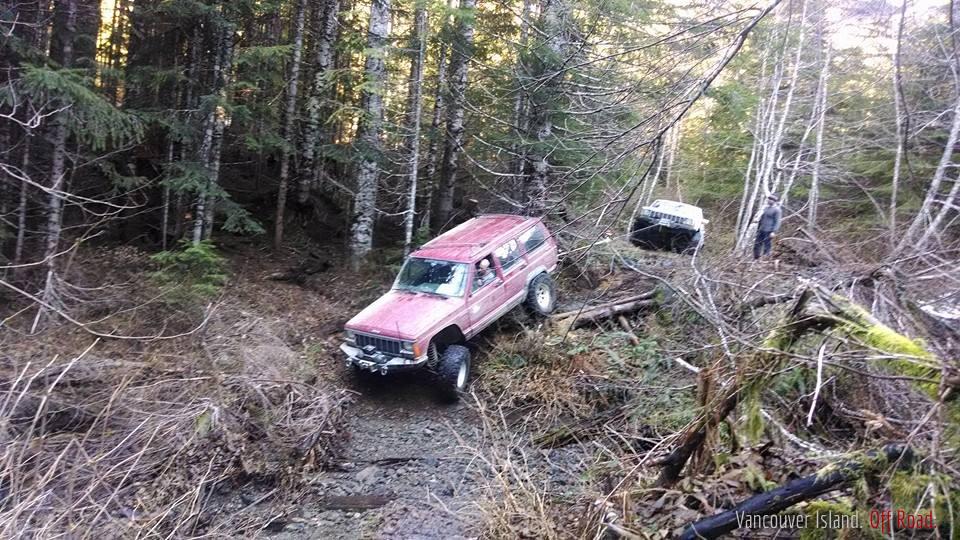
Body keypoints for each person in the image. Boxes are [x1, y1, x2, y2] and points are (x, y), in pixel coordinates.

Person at [753, 195, 781, 260]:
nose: (769, 200)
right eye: (768, 199)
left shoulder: (777, 210)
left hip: (769, 231)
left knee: (767, 245)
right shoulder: (765, 208)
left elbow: (777, 222)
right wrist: (757, 224)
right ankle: (756, 258)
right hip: (761, 229)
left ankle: (765, 259)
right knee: (757, 244)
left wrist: (773, 231)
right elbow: (761, 218)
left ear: (774, 201)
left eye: (771, 199)